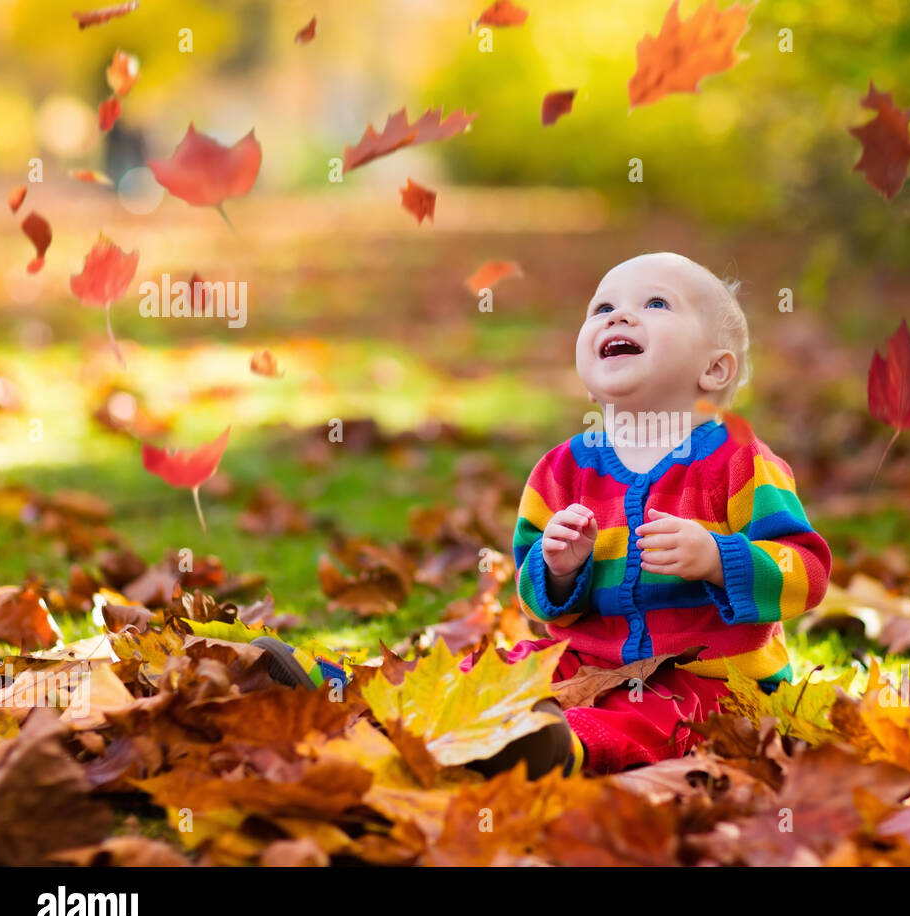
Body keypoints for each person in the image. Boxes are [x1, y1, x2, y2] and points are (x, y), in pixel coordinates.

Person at [260, 252, 833, 781]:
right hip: (578, 662)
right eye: (603, 308)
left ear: (714, 369)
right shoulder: (562, 471)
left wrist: (719, 558)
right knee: (491, 673)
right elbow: (537, 599)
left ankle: (539, 746)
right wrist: (559, 569)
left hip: (706, 679)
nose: (620, 317)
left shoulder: (740, 465)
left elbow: (807, 573)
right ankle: (356, 694)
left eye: (655, 304)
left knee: (658, 722)